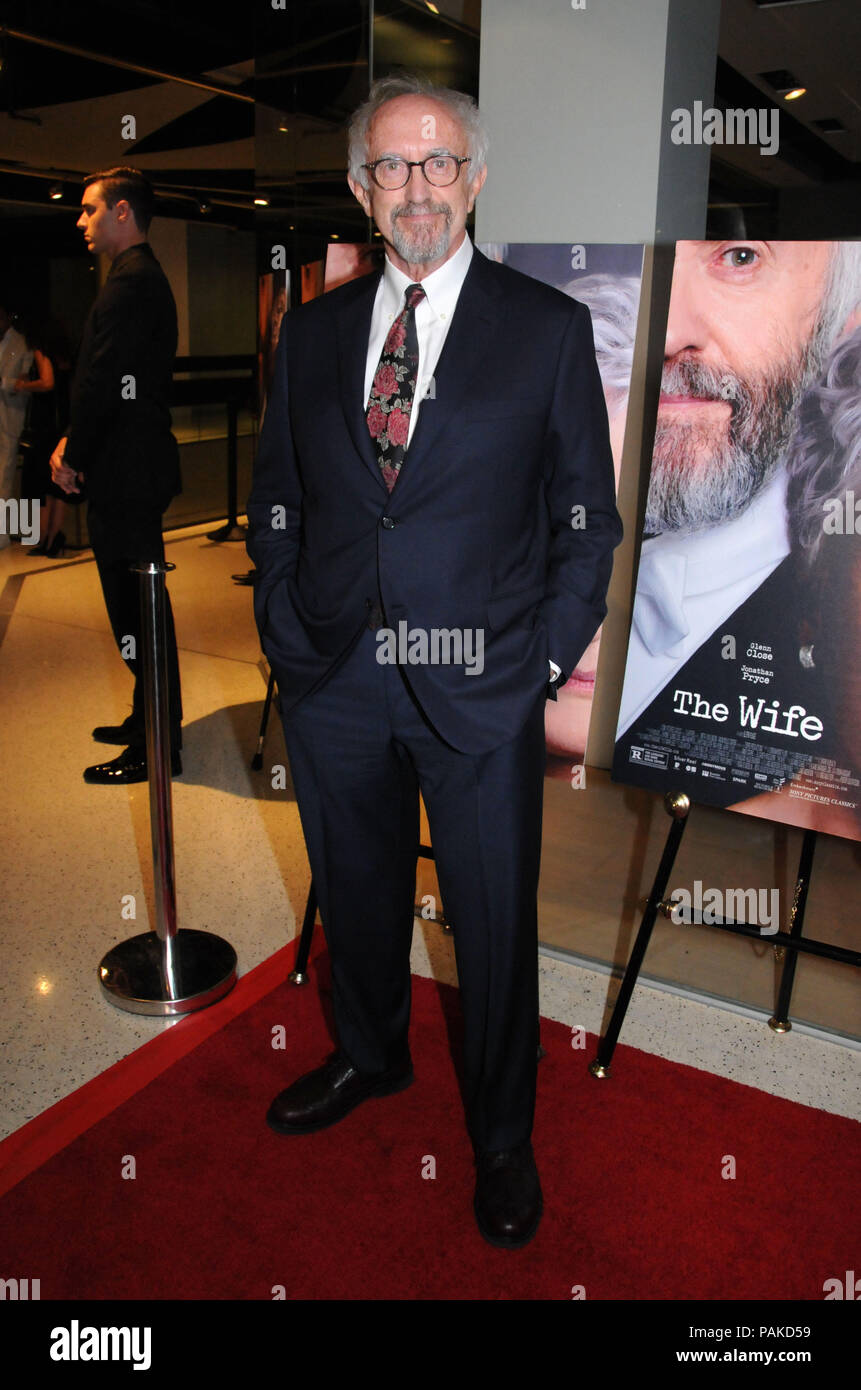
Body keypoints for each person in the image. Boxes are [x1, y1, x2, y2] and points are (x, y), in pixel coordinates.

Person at [247, 73, 621, 1248]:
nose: (418, 187)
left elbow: (588, 522)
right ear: (362, 187)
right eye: (393, 166)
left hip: (481, 684)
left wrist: (540, 663)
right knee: (356, 895)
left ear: (477, 176)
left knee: (492, 926)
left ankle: (503, 1138)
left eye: (439, 162)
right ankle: (369, 1056)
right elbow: (279, 500)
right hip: (335, 681)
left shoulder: (547, 328)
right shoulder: (308, 334)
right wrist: (285, 627)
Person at [614, 240, 861, 807]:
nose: (666, 333)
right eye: (644, 258)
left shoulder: (830, 625)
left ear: (845, 315)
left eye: (740, 258)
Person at [50, 167, 183, 784]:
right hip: (130, 469)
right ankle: (146, 720)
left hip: (126, 475)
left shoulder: (132, 285)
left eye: (88, 210)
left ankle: (157, 746)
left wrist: (73, 454)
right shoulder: (136, 280)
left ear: (122, 212)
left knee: (137, 613)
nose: (81, 221)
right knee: (137, 610)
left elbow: (105, 383)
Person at [16, 316, 76, 557]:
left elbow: (46, 382)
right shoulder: (64, 357)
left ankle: (46, 540)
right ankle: (53, 538)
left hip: (44, 427)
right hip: (60, 426)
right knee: (56, 488)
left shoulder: (42, 353)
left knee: (40, 486)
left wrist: (22, 385)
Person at [0, 297, 34, 548]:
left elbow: (21, 383)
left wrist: (6, 384)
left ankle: (4, 533)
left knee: (6, 474)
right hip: (4, 413)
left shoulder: (21, 344)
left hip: (11, 416)